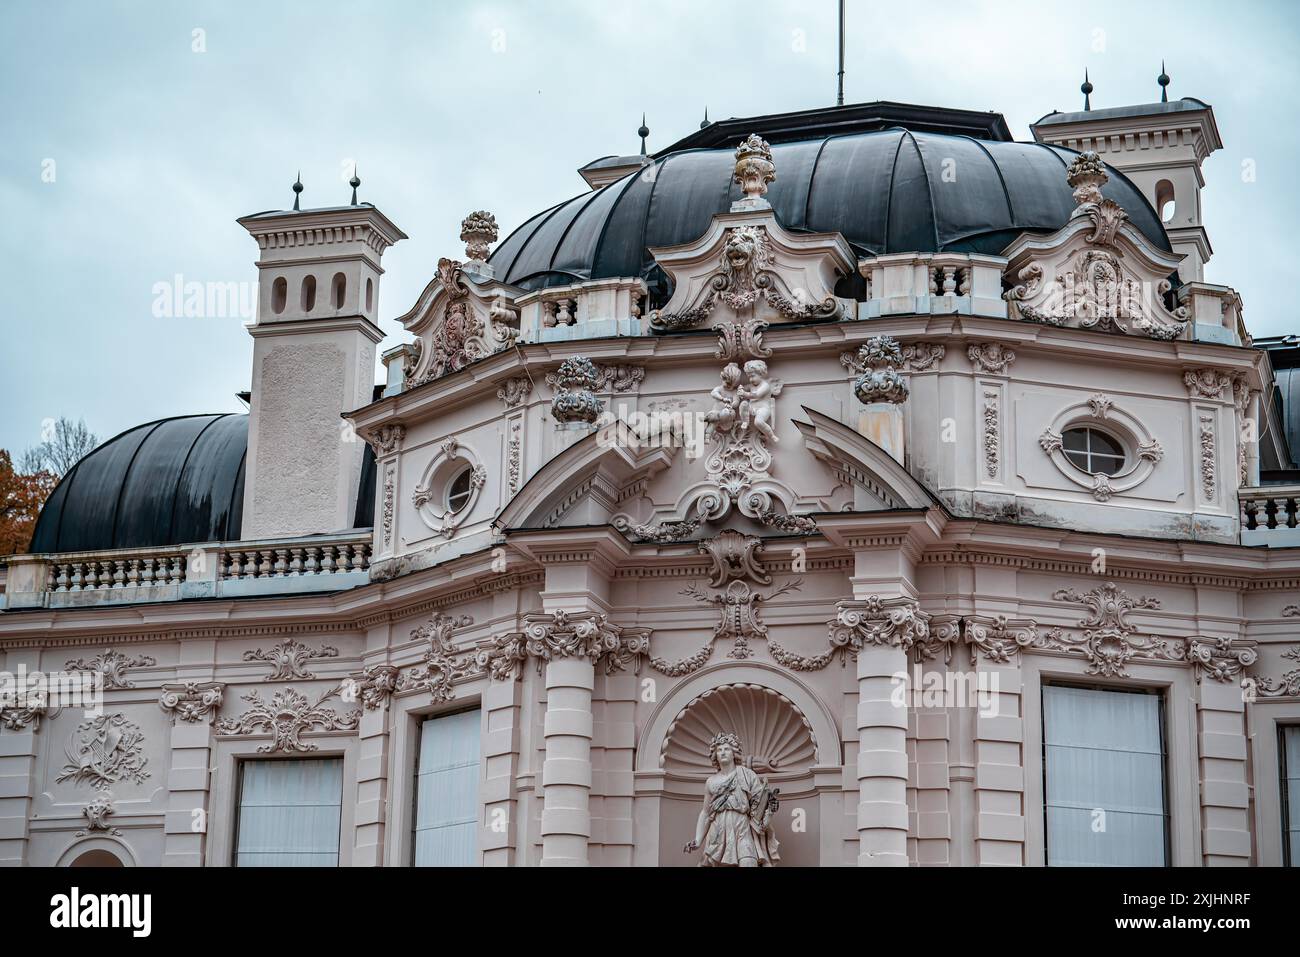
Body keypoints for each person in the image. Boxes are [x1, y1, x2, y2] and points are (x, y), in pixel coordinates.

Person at [683, 731, 780, 867]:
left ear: (734, 753)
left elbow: (760, 804)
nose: (723, 752)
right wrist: (698, 840)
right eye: (719, 750)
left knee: (749, 862)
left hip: (742, 828)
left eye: (727, 749)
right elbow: (705, 812)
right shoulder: (711, 781)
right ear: (715, 755)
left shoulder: (747, 775)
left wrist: (770, 807)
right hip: (718, 831)